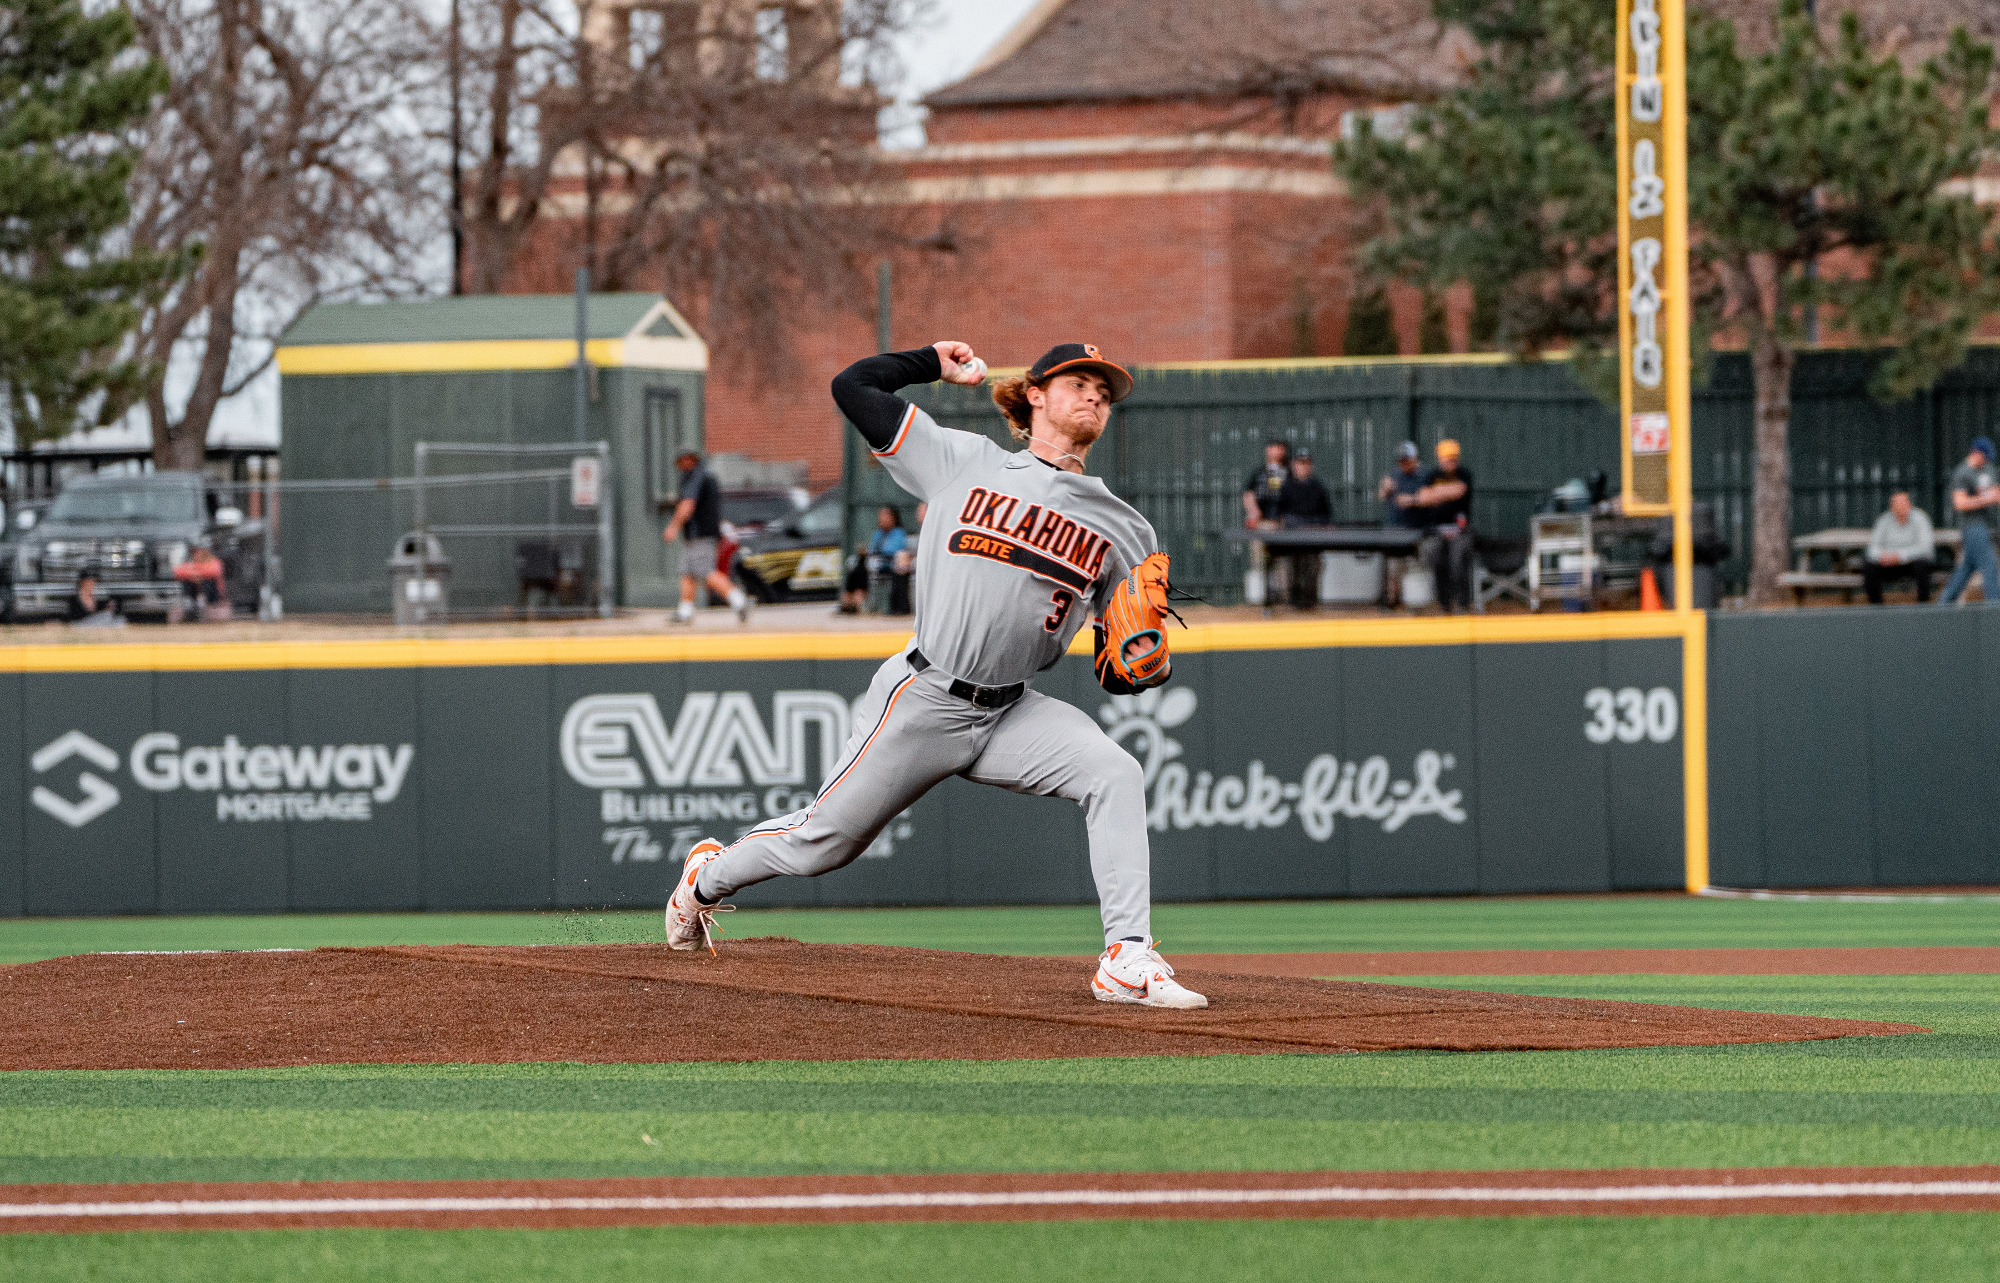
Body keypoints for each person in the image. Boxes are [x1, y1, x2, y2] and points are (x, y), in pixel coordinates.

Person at [665, 339, 1207, 1010]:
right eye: (1079, 382)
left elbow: (1121, 659)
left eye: (1104, 390)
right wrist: (929, 362)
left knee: (1115, 772)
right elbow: (852, 388)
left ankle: (1126, 957)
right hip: (926, 695)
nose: (1095, 395)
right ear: (1035, 394)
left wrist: (1138, 668)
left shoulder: (1125, 527)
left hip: (1012, 712)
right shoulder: (961, 460)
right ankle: (703, 881)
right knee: (821, 843)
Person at [663, 451, 750, 624]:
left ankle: (740, 601)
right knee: (687, 572)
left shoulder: (696, 477)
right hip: (699, 535)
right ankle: (685, 612)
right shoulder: (706, 475)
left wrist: (673, 527)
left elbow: (688, 504)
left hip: (701, 535)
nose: (680, 465)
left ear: (690, 460)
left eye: (682, 461)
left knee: (706, 572)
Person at [1403, 438, 1474, 612]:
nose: (1451, 462)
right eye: (1448, 458)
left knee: (1457, 561)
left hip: (1460, 530)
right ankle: (1444, 603)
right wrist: (1442, 493)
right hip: (1437, 530)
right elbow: (1423, 498)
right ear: (1440, 458)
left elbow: (1459, 490)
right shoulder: (1433, 476)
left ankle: (1463, 603)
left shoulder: (1464, 474)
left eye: (1454, 458)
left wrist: (1435, 493)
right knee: (1436, 558)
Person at [1942, 438, 2000, 605]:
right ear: (1976, 453)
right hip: (1973, 527)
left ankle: (1942, 605)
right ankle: (1995, 610)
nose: (1986, 460)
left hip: (1988, 526)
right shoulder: (1962, 472)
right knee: (1990, 568)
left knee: (1964, 570)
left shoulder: (1988, 469)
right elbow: (1960, 503)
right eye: (1984, 456)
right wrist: (1985, 499)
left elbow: (1996, 492)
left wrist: (1991, 496)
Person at [1276, 447, 1333, 609]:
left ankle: (1310, 601)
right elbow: (1281, 516)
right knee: (1291, 567)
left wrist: (1315, 526)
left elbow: (1326, 516)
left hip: (1313, 539)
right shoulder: (1287, 487)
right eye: (1301, 463)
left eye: (1307, 463)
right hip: (1292, 539)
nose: (1304, 467)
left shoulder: (1318, 487)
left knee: (1313, 566)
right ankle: (1292, 600)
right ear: (1294, 465)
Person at [1863, 491, 1936, 605]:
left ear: (1909, 504)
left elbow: (1925, 547)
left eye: (1903, 503)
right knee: (1869, 566)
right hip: (1888, 563)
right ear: (1891, 507)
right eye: (1897, 504)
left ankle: (1923, 606)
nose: (1900, 507)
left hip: (1912, 562)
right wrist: (1883, 556)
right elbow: (1872, 548)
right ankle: (1876, 607)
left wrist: (1900, 556)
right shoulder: (1883, 520)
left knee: (1922, 565)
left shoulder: (1920, 518)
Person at [840, 506, 911, 615]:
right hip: (873, 564)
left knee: (863, 571)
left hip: (888, 565)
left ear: (893, 518)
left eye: (885, 516)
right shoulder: (879, 533)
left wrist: (878, 552)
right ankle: (848, 601)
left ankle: (857, 602)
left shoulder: (898, 533)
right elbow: (872, 548)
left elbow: (893, 550)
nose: (882, 519)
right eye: (880, 516)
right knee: (855, 571)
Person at [173, 541, 227, 619]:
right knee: (187, 582)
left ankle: (201, 604)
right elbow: (177, 572)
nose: (198, 554)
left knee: (206, 582)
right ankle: (189, 605)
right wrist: (193, 575)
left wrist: (197, 574)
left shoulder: (214, 561)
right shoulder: (191, 562)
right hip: (194, 593)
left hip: (213, 593)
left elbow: (215, 571)